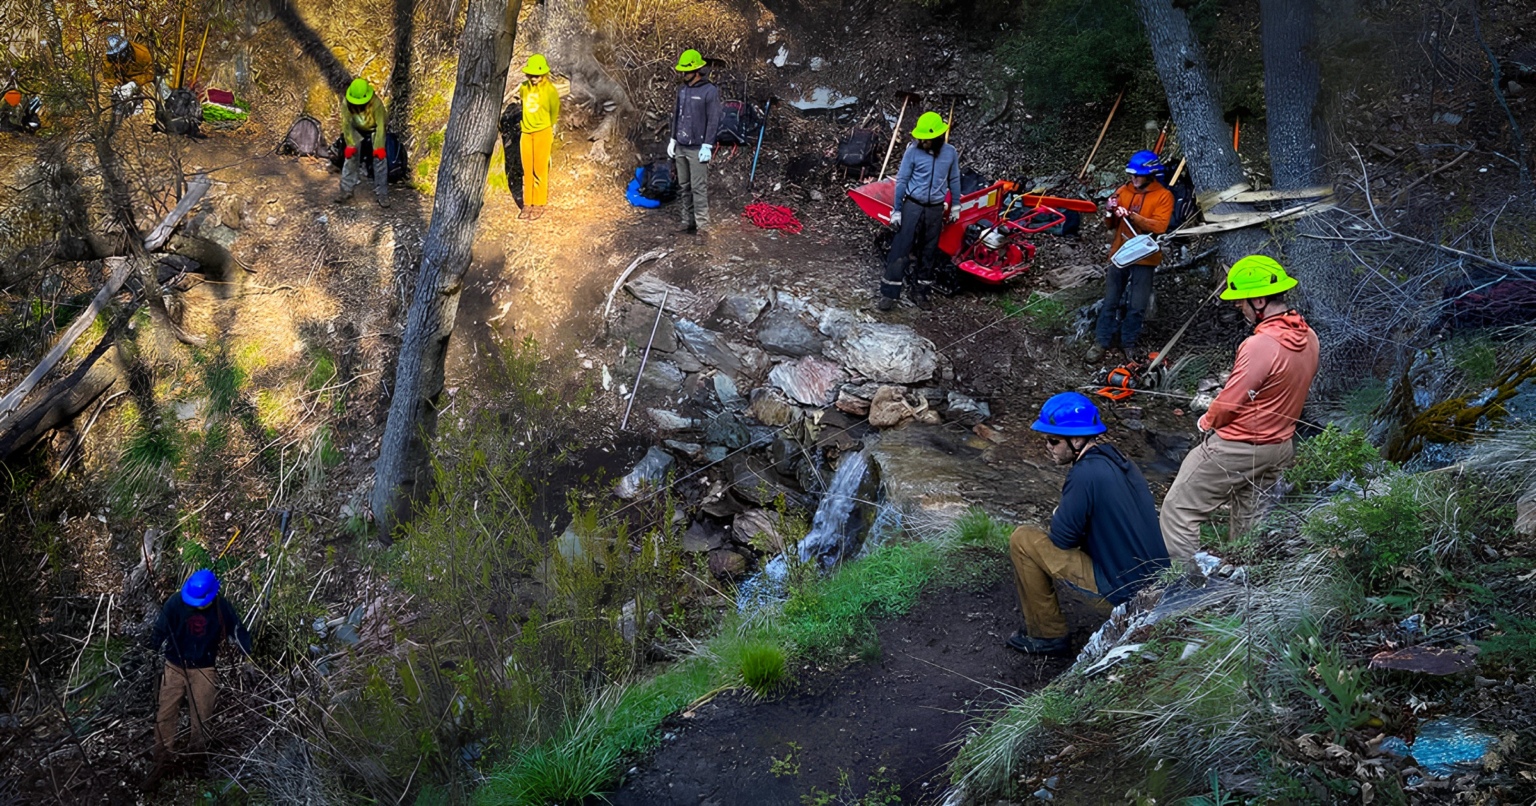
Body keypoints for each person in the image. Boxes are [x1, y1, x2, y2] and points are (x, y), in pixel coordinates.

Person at [1160, 256, 1320, 567]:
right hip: (1281, 447)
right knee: (1250, 523)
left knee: (1179, 510)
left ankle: (1186, 586)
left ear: (1259, 300)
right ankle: (1243, 583)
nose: (1238, 307)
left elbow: (1230, 403)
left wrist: (1207, 420)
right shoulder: (1309, 338)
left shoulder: (1260, 345)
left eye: (1242, 301)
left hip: (1238, 446)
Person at [1007, 392, 1170, 655]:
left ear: (1077, 439)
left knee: (1023, 539)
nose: (1048, 447)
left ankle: (1046, 634)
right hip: (1157, 590)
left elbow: (1061, 539)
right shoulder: (1119, 460)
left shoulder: (1084, 474)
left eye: (1052, 440)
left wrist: (1060, 511)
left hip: (1125, 597)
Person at [142, 569, 252, 788]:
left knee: (202, 714)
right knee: (165, 712)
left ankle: (198, 759)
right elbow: (159, 630)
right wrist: (150, 650)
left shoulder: (222, 607)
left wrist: (247, 653)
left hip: (204, 668)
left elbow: (237, 630)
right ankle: (161, 760)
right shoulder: (175, 603)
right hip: (174, 666)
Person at [1087, 150, 1175, 363]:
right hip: (1120, 254)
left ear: (1150, 174)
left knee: (1137, 305)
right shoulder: (1123, 191)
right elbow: (1110, 224)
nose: (1133, 178)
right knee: (1111, 300)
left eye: (1138, 175)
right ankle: (1101, 341)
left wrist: (1132, 216)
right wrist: (1109, 211)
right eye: (1132, 174)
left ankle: (1129, 344)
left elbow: (1160, 226)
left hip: (1145, 258)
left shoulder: (1163, 196)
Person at [879, 111, 962, 312]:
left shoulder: (950, 152)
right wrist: (897, 210)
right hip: (912, 205)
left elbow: (954, 179)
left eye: (926, 140)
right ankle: (889, 293)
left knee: (929, 250)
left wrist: (956, 205)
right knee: (901, 248)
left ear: (937, 138)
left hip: (935, 208)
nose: (922, 142)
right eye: (920, 139)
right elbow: (902, 181)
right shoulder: (912, 152)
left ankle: (920, 291)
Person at [667, 49, 721, 235]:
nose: (684, 74)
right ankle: (687, 221)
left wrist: (707, 144)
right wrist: (673, 139)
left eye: (686, 71)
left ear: (697, 71)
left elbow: (713, 119)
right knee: (684, 186)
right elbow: (677, 116)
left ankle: (703, 227)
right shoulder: (683, 90)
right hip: (681, 145)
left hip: (698, 148)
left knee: (698, 188)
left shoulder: (709, 91)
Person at [515, 54, 560, 221]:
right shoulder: (523, 88)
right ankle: (528, 204)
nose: (534, 78)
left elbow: (554, 113)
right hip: (526, 133)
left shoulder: (550, 91)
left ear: (544, 74)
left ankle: (539, 204)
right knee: (527, 170)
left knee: (539, 170)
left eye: (537, 75)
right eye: (531, 75)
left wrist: (547, 128)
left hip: (543, 132)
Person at [337, 78, 390, 208]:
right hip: (356, 128)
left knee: (380, 160)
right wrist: (350, 143)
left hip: (375, 129)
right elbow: (346, 124)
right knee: (351, 158)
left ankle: (382, 194)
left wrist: (379, 147)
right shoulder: (346, 103)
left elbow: (381, 126)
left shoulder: (376, 104)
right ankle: (346, 190)